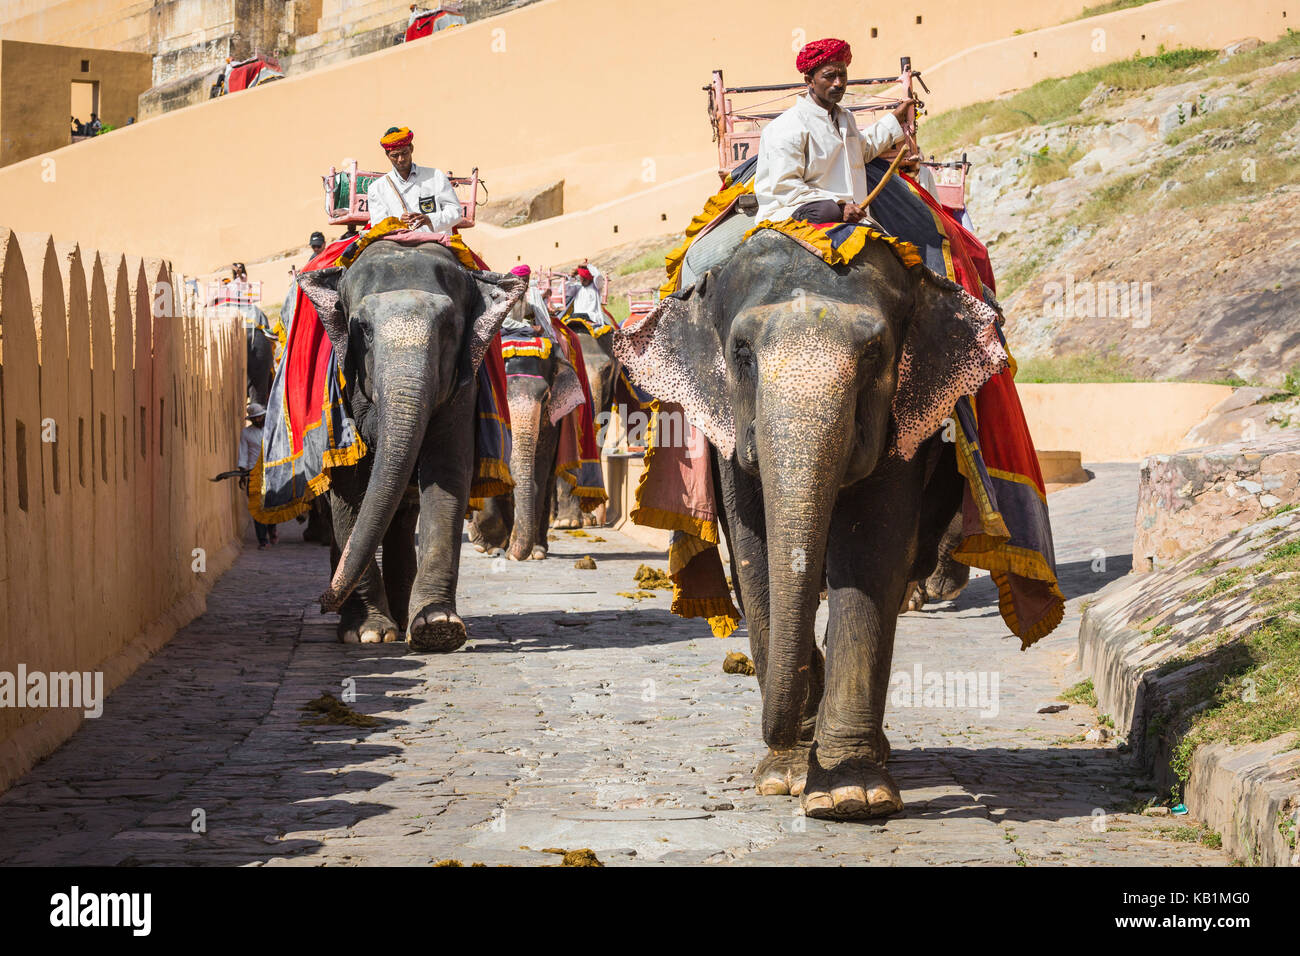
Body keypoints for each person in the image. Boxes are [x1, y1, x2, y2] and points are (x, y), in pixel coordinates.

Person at [754, 38, 915, 224]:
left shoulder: (844, 118)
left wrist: (895, 118)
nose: (838, 83)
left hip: (850, 212)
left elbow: (862, 151)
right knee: (826, 210)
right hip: (797, 212)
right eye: (829, 76)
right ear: (810, 81)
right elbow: (786, 187)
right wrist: (839, 207)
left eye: (843, 75)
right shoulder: (787, 127)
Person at [365, 126, 464, 232]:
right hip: (396, 243)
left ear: (411, 148)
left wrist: (430, 219)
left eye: (404, 153)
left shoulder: (436, 176)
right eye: (395, 155)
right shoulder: (376, 188)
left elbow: (455, 212)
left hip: (435, 240)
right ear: (387, 155)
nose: (401, 159)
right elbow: (378, 224)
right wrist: (399, 221)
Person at [238, 404, 278, 548]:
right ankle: (262, 539)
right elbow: (243, 453)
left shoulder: (272, 430)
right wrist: (242, 474)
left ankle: (272, 528)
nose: (258, 419)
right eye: (255, 418)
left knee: (272, 504)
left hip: (271, 472)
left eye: (259, 417)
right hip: (254, 474)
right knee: (257, 507)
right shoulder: (246, 433)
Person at [565, 263, 610, 328]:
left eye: (585, 279)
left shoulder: (596, 287)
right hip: (576, 318)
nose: (582, 280)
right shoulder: (578, 288)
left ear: (590, 279)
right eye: (581, 278)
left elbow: (598, 276)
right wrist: (571, 277)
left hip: (591, 317)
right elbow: (562, 290)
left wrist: (588, 266)